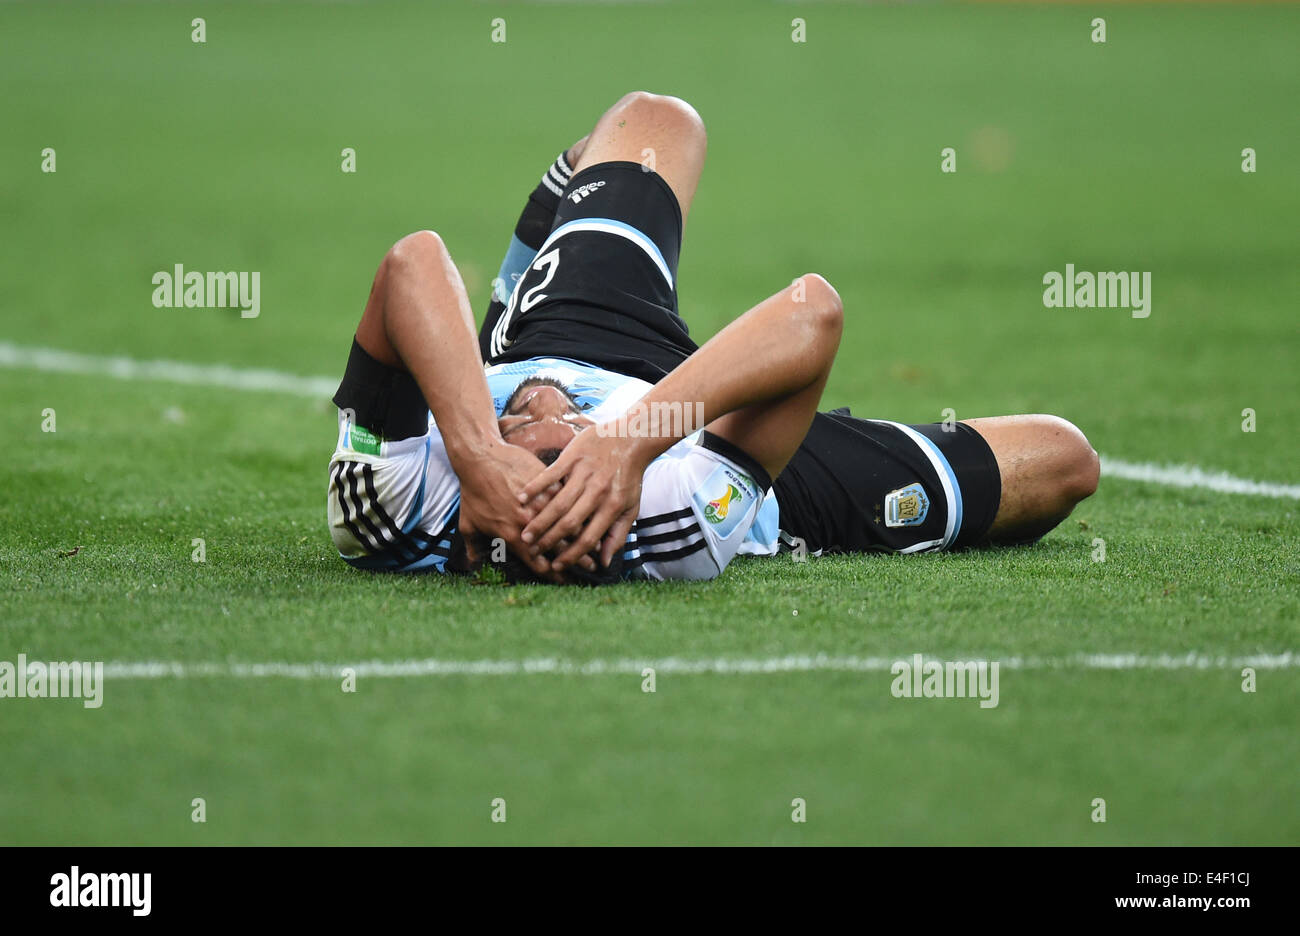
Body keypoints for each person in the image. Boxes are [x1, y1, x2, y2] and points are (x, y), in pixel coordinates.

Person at [328, 91, 1099, 583]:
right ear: (610, 503)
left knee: (660, 121)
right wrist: (629, 445)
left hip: (561, 339)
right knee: (1064, 461)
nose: (539, 417)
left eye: (516, 434)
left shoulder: (396, 508)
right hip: (701, 428)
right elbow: (812, 312)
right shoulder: (677, 512)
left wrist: (474, 448)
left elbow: (414, 261)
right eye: (558, 452)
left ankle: (511, 306)